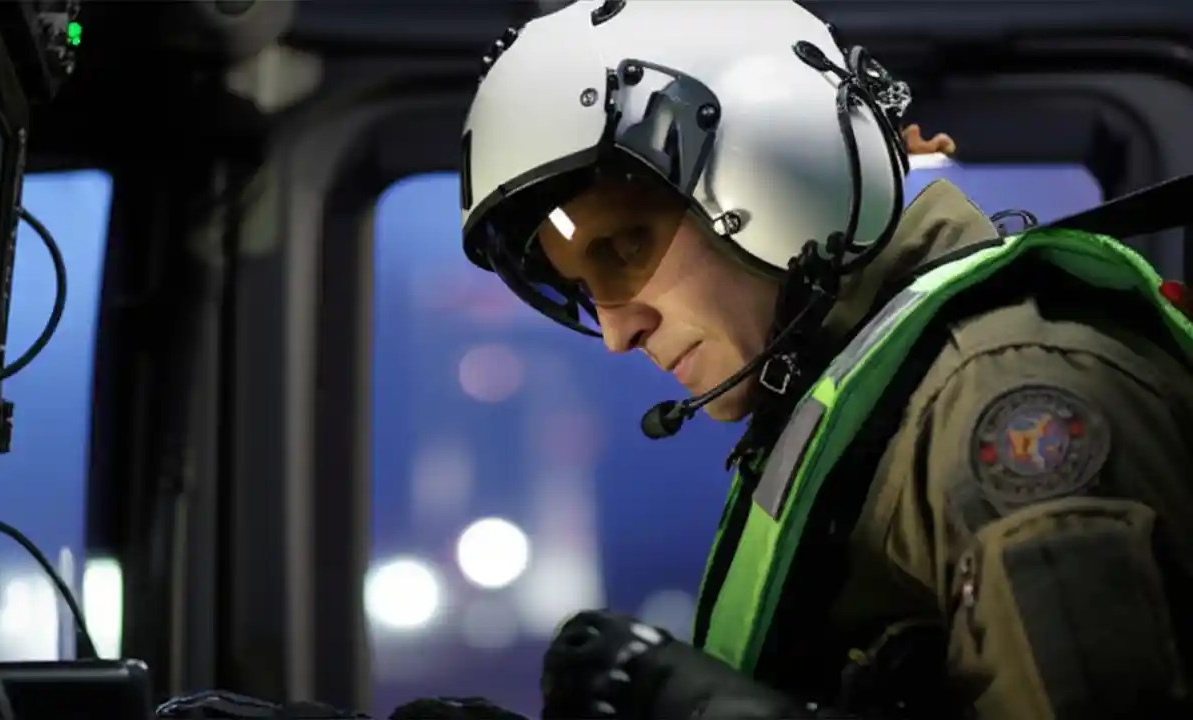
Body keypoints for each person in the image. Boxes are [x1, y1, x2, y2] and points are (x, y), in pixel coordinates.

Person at [458, 1, 1193, 719]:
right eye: (585, 292)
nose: (618, 332)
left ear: (775, 161)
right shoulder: (863, 405)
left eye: (623, 249)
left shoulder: (1002, 396)